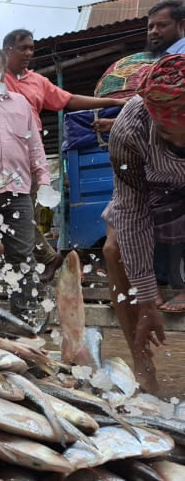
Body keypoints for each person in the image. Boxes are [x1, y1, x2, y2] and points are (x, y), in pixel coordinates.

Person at [2, 29, 128, 283]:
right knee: (5, 215)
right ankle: (42, 262)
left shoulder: (38, 81)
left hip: (28, 157)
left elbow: (68, 100)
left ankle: (37, 267)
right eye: (23, 48)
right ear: (7, 50)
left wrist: (112, 103)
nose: (28, 53)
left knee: (22, 215)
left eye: (31, 49)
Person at [102, 54, 185, 393]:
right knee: (113, 249)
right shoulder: (130, 128)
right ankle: (140, 359)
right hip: (151, 186)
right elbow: (131, 209)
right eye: (167, 133)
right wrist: (146, 298)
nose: (179, 143)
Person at [0, 49, 50, 322]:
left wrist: (44, 180)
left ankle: (24, 317)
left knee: (22, 256)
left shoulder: (21, 103)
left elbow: (35, 147)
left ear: (3, 70)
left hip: (17, 191)